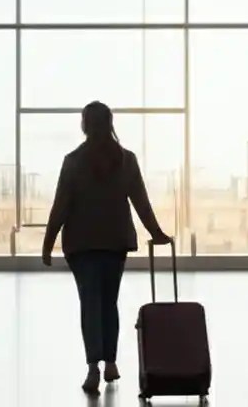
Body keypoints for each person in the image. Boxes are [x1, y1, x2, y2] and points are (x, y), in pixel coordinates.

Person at [42, 101, 172, 396]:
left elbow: (60, 205)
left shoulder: (73, 161)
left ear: (85, 125)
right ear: (110, 123)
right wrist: (156, 233)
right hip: (114, 242)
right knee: (108, 302)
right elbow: (140, 200)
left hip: (82, 244)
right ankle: (111, 362)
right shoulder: (126, 160)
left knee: (90, 304)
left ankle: (92, 369)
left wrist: (48, 243)